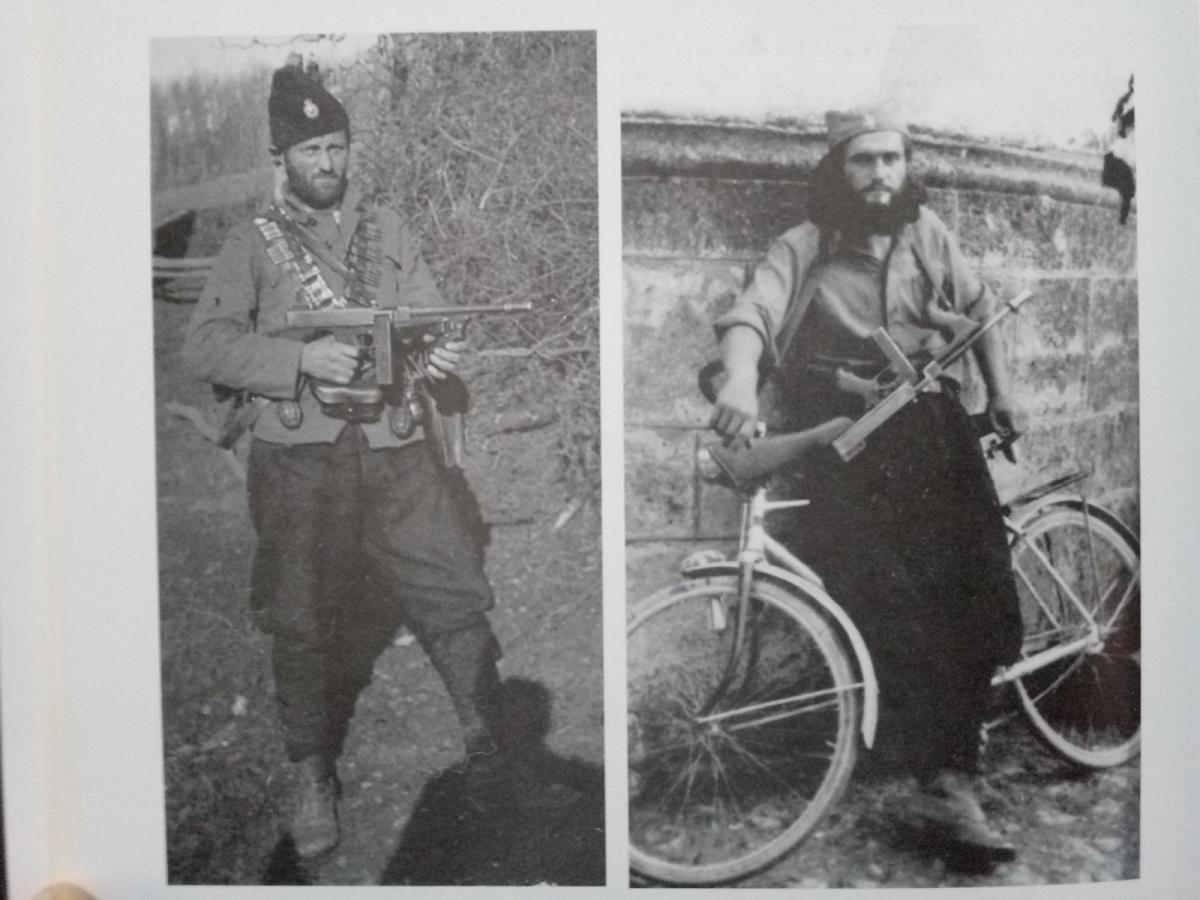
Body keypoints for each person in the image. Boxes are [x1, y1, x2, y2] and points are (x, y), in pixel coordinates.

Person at [183, 62, 561, 860]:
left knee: (451, 588)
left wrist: (443, 353)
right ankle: (311, 771)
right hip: (299, 456)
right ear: (281, 157)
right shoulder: (251, 246)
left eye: (337, 146)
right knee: (298, 613)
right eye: (312, 148)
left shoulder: (388, 232)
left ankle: (486, 739)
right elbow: (206, 343)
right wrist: (299, 361)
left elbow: (426, 324)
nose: (328, 163)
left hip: (392, 445)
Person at [710, 107, 1025, 871]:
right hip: (851, 446)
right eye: (863, 162)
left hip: (938, 436)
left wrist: (1002, 395)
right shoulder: (807, 247)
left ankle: (953, 758)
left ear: (906, 166)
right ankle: (940, 781)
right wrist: (743, 381)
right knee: (892, 602)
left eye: (891, 159)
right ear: (837, 170)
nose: (880, 175)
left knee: (983, 590)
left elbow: (982, 311)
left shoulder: (929, 236)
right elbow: (751, 314)